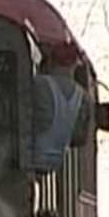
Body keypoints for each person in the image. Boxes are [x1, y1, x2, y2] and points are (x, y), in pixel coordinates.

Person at [29, 41, 93, 173]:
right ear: (74, 65)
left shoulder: (39, 85)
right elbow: (80, 138)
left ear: (52, 60)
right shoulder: (83, 99)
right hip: (55, 164)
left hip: (29, 158)